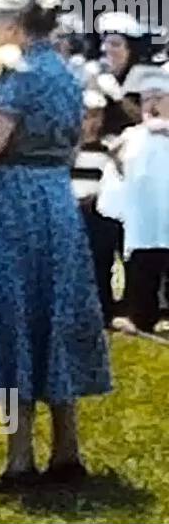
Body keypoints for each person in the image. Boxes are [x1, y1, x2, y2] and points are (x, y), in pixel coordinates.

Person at [0, 0, 111, 488]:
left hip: (8, 206)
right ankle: (67, 448)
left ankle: (19, 458)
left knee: (13, 320)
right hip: (53, 199)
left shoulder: (14, 74)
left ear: (11, 25)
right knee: (52, 315)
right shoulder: (63, 70)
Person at [97, 68, 169, 336]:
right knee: (144, 269)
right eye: (147, 98)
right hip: (144, 221)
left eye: (159, 97)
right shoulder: (131, 136)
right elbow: (118, 177)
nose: (152, 104)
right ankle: (142, 317)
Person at [72, 91, 121, 326]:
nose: (91, 123)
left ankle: (104, 310)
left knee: (101, 263)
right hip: (71, 213)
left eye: (95, 117)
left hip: (99, 212)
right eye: (86, 116)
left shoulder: (109, 148)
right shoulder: (66, 150)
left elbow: (113, 178)